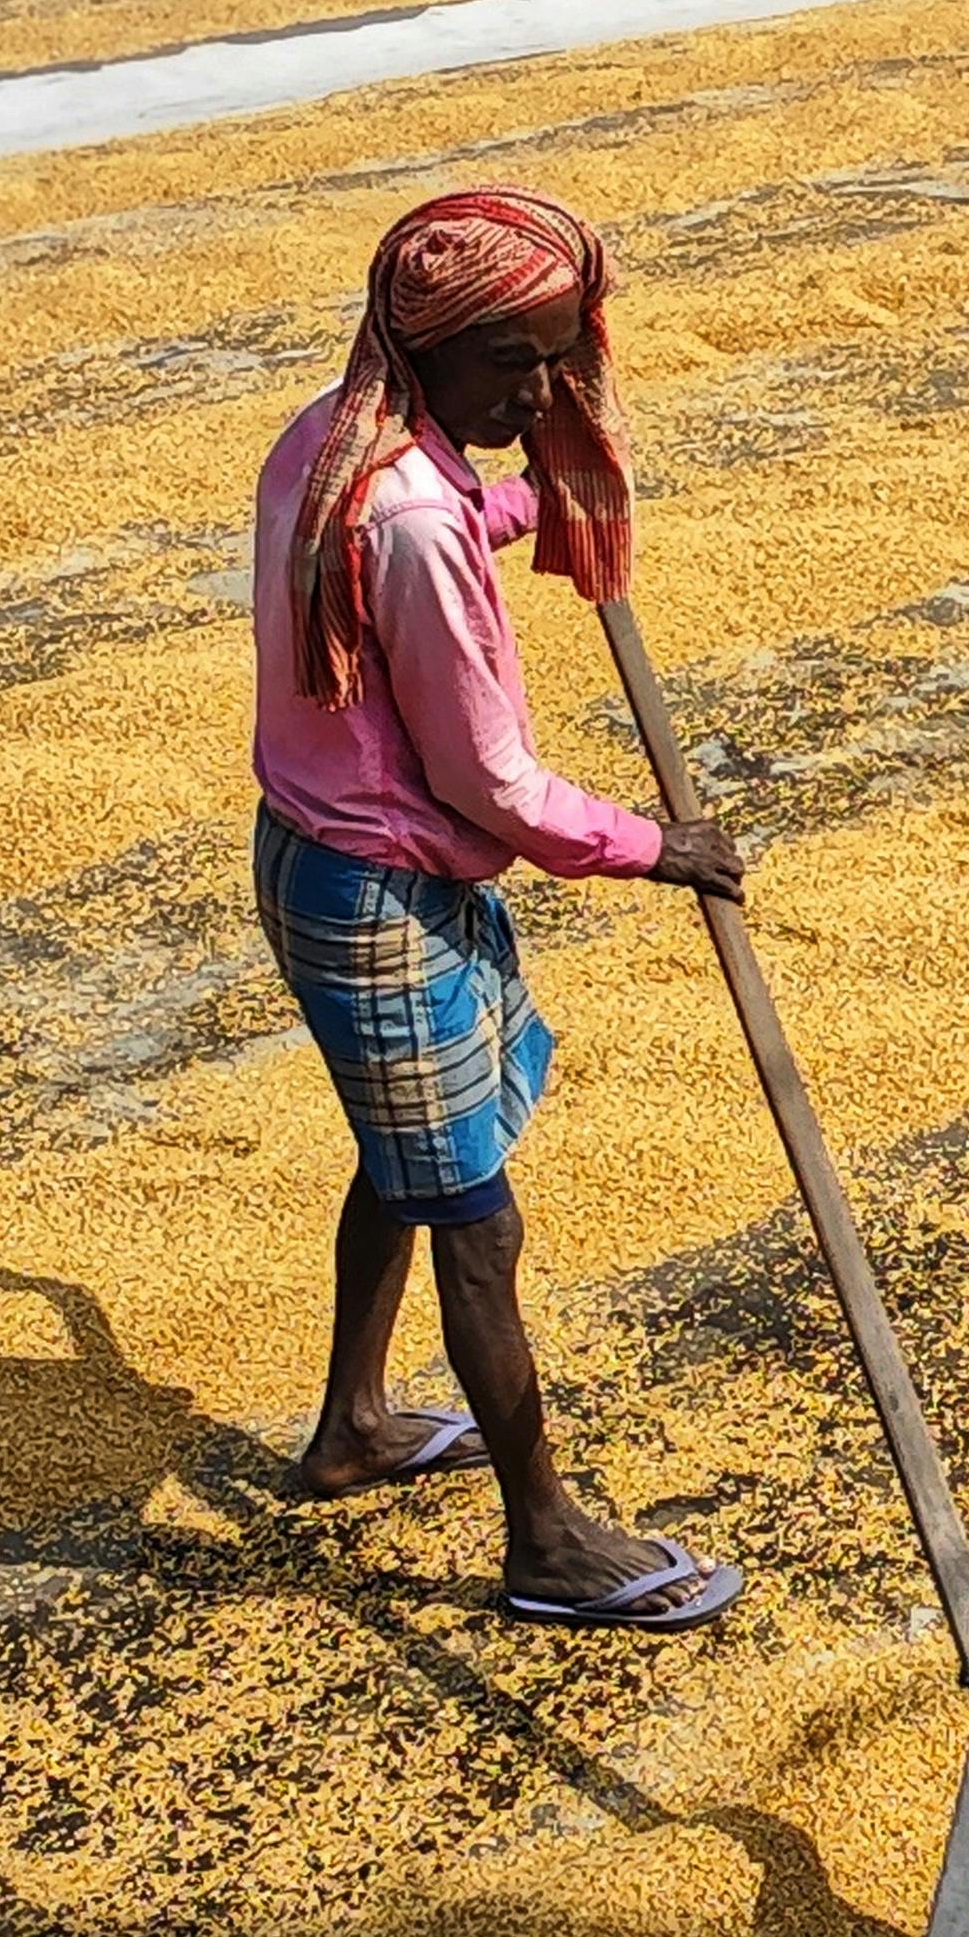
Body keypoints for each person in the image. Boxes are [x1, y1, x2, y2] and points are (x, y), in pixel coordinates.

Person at [250, 183, 748, 1628]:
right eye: (510, 368)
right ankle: (545, 1541)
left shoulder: (335, 435)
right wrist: (656, 848)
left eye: (555, 361)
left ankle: (353, 1423)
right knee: (472, 1212)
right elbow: (494, 785)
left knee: (406, 1153)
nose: (538, 393)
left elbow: (441, 515)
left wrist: (536, 498)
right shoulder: (407, 520)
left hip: (322, 852)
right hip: (381, 889)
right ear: (433, 353)